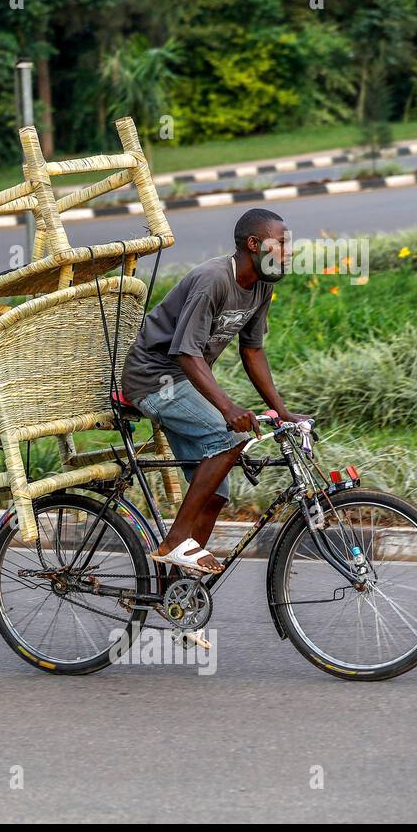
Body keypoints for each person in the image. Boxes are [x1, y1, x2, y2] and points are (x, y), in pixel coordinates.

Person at [119, 208, 311, 574]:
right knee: (227, 439)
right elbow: (186, 353)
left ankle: (176, 594)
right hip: (153, 379)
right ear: (254, 244)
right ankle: (175, 540)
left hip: (184, 381)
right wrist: (227, 408)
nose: (289, 252)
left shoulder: (263, 285)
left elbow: (252, 351)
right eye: (282, 243)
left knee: (215, 494)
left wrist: (282, 412)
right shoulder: (214, 279)